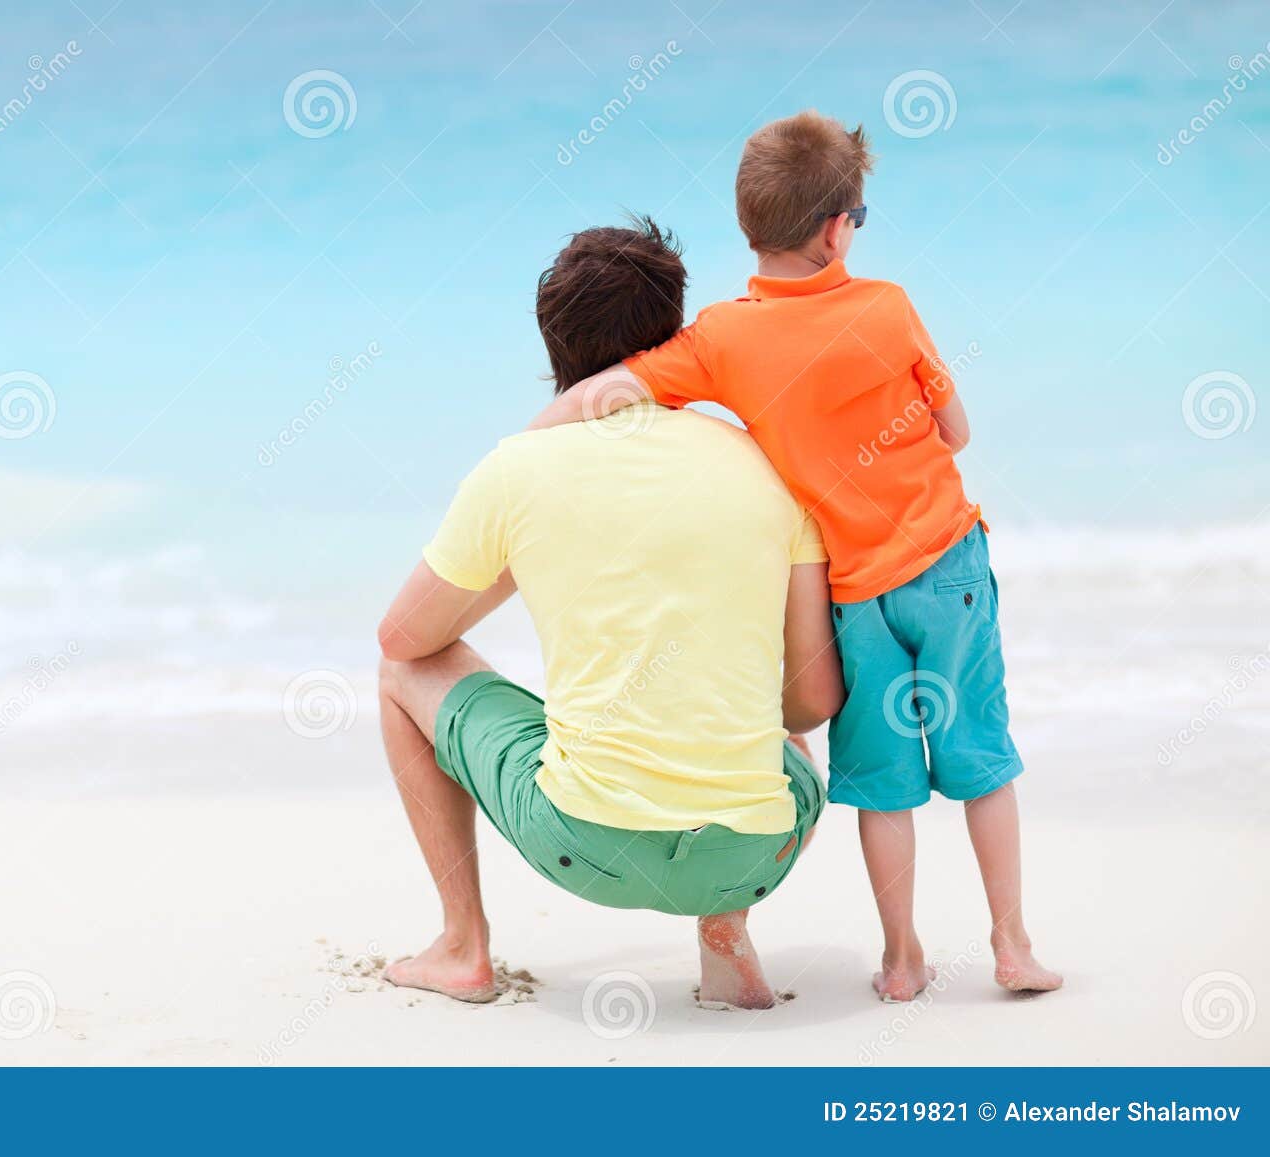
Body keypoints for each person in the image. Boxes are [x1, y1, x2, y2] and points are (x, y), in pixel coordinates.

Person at [529, 111, 1061, 1001]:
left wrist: (528, 444)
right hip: (949, 568)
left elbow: (613, 388)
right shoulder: (888, 307)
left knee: (885, 785)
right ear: (837, 225)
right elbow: (957, 432)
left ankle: (900, 959)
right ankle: (1011, 943)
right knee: (982, 761)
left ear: (749, 228)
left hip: (855, 596)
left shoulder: (722, 340)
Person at [376, 217, 843, 1010]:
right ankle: (725, 940)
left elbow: (406, 637)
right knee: (768, 719)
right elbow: (812, 700)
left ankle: (462, 946)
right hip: (760, 850)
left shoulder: (519, 467)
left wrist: (530, 556)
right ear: (671, 335)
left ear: (552, 344)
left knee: (397, 674)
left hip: (585, 845)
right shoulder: (761, 461)